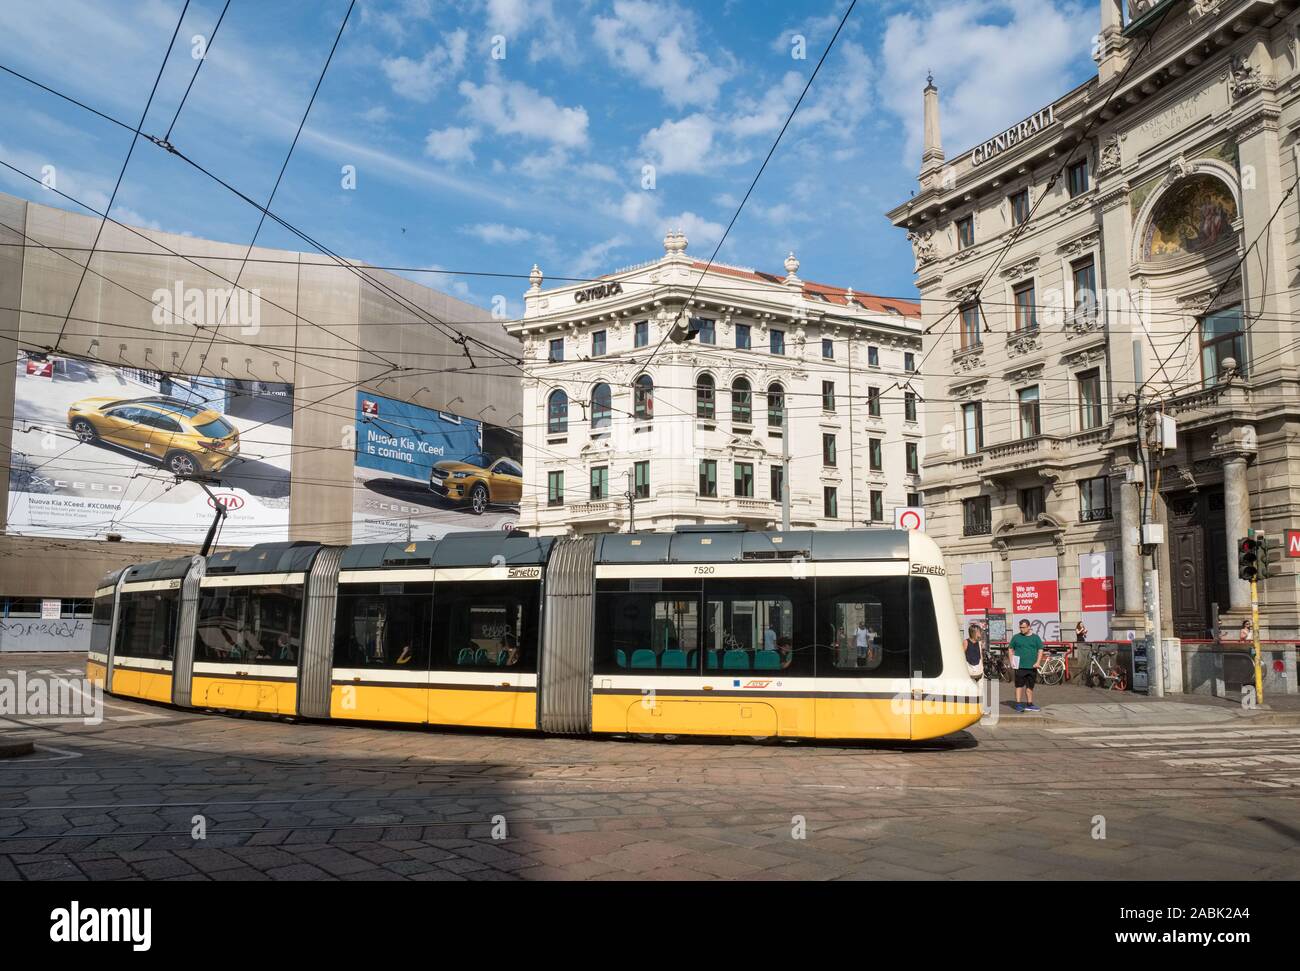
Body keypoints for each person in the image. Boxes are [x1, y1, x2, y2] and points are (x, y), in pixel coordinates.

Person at [1008, 619, 1045, 713]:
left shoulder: (1035, 638)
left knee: (1030, 686)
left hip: (1032, 666)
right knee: (1019, 686)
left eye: (1023, 627)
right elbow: (1010, 649)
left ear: (1029, 627)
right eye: (1020, 627)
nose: (1021, 629)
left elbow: (1040, 650)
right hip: (1020, 666)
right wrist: (1012, 661)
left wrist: (1038, 662)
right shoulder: (1016, 637)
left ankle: (1029, 704)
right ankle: (1018, 704)